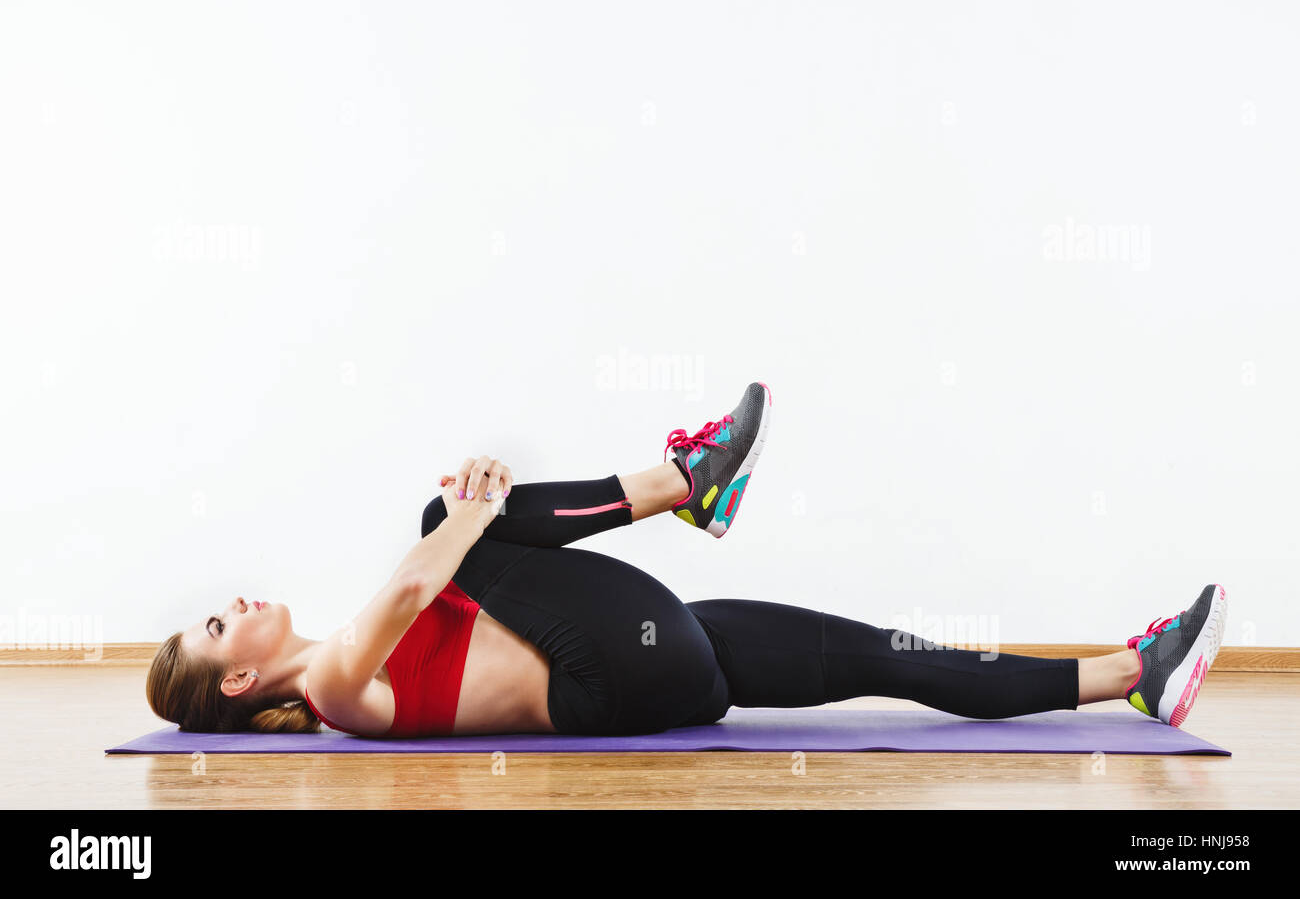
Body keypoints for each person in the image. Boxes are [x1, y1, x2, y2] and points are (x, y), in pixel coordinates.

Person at [146, 382, 1226, 737]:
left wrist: (475, 513)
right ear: (239, 678)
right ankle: (685, 485)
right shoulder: (336, 687)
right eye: (215, 623)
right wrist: (471, 506)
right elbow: (421, 580)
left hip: (670, 654)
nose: (230, 603)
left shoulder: (346, 660)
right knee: (445, 512)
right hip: (605, 672)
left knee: (889, 654)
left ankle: (1137, 672)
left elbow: (437, 576)